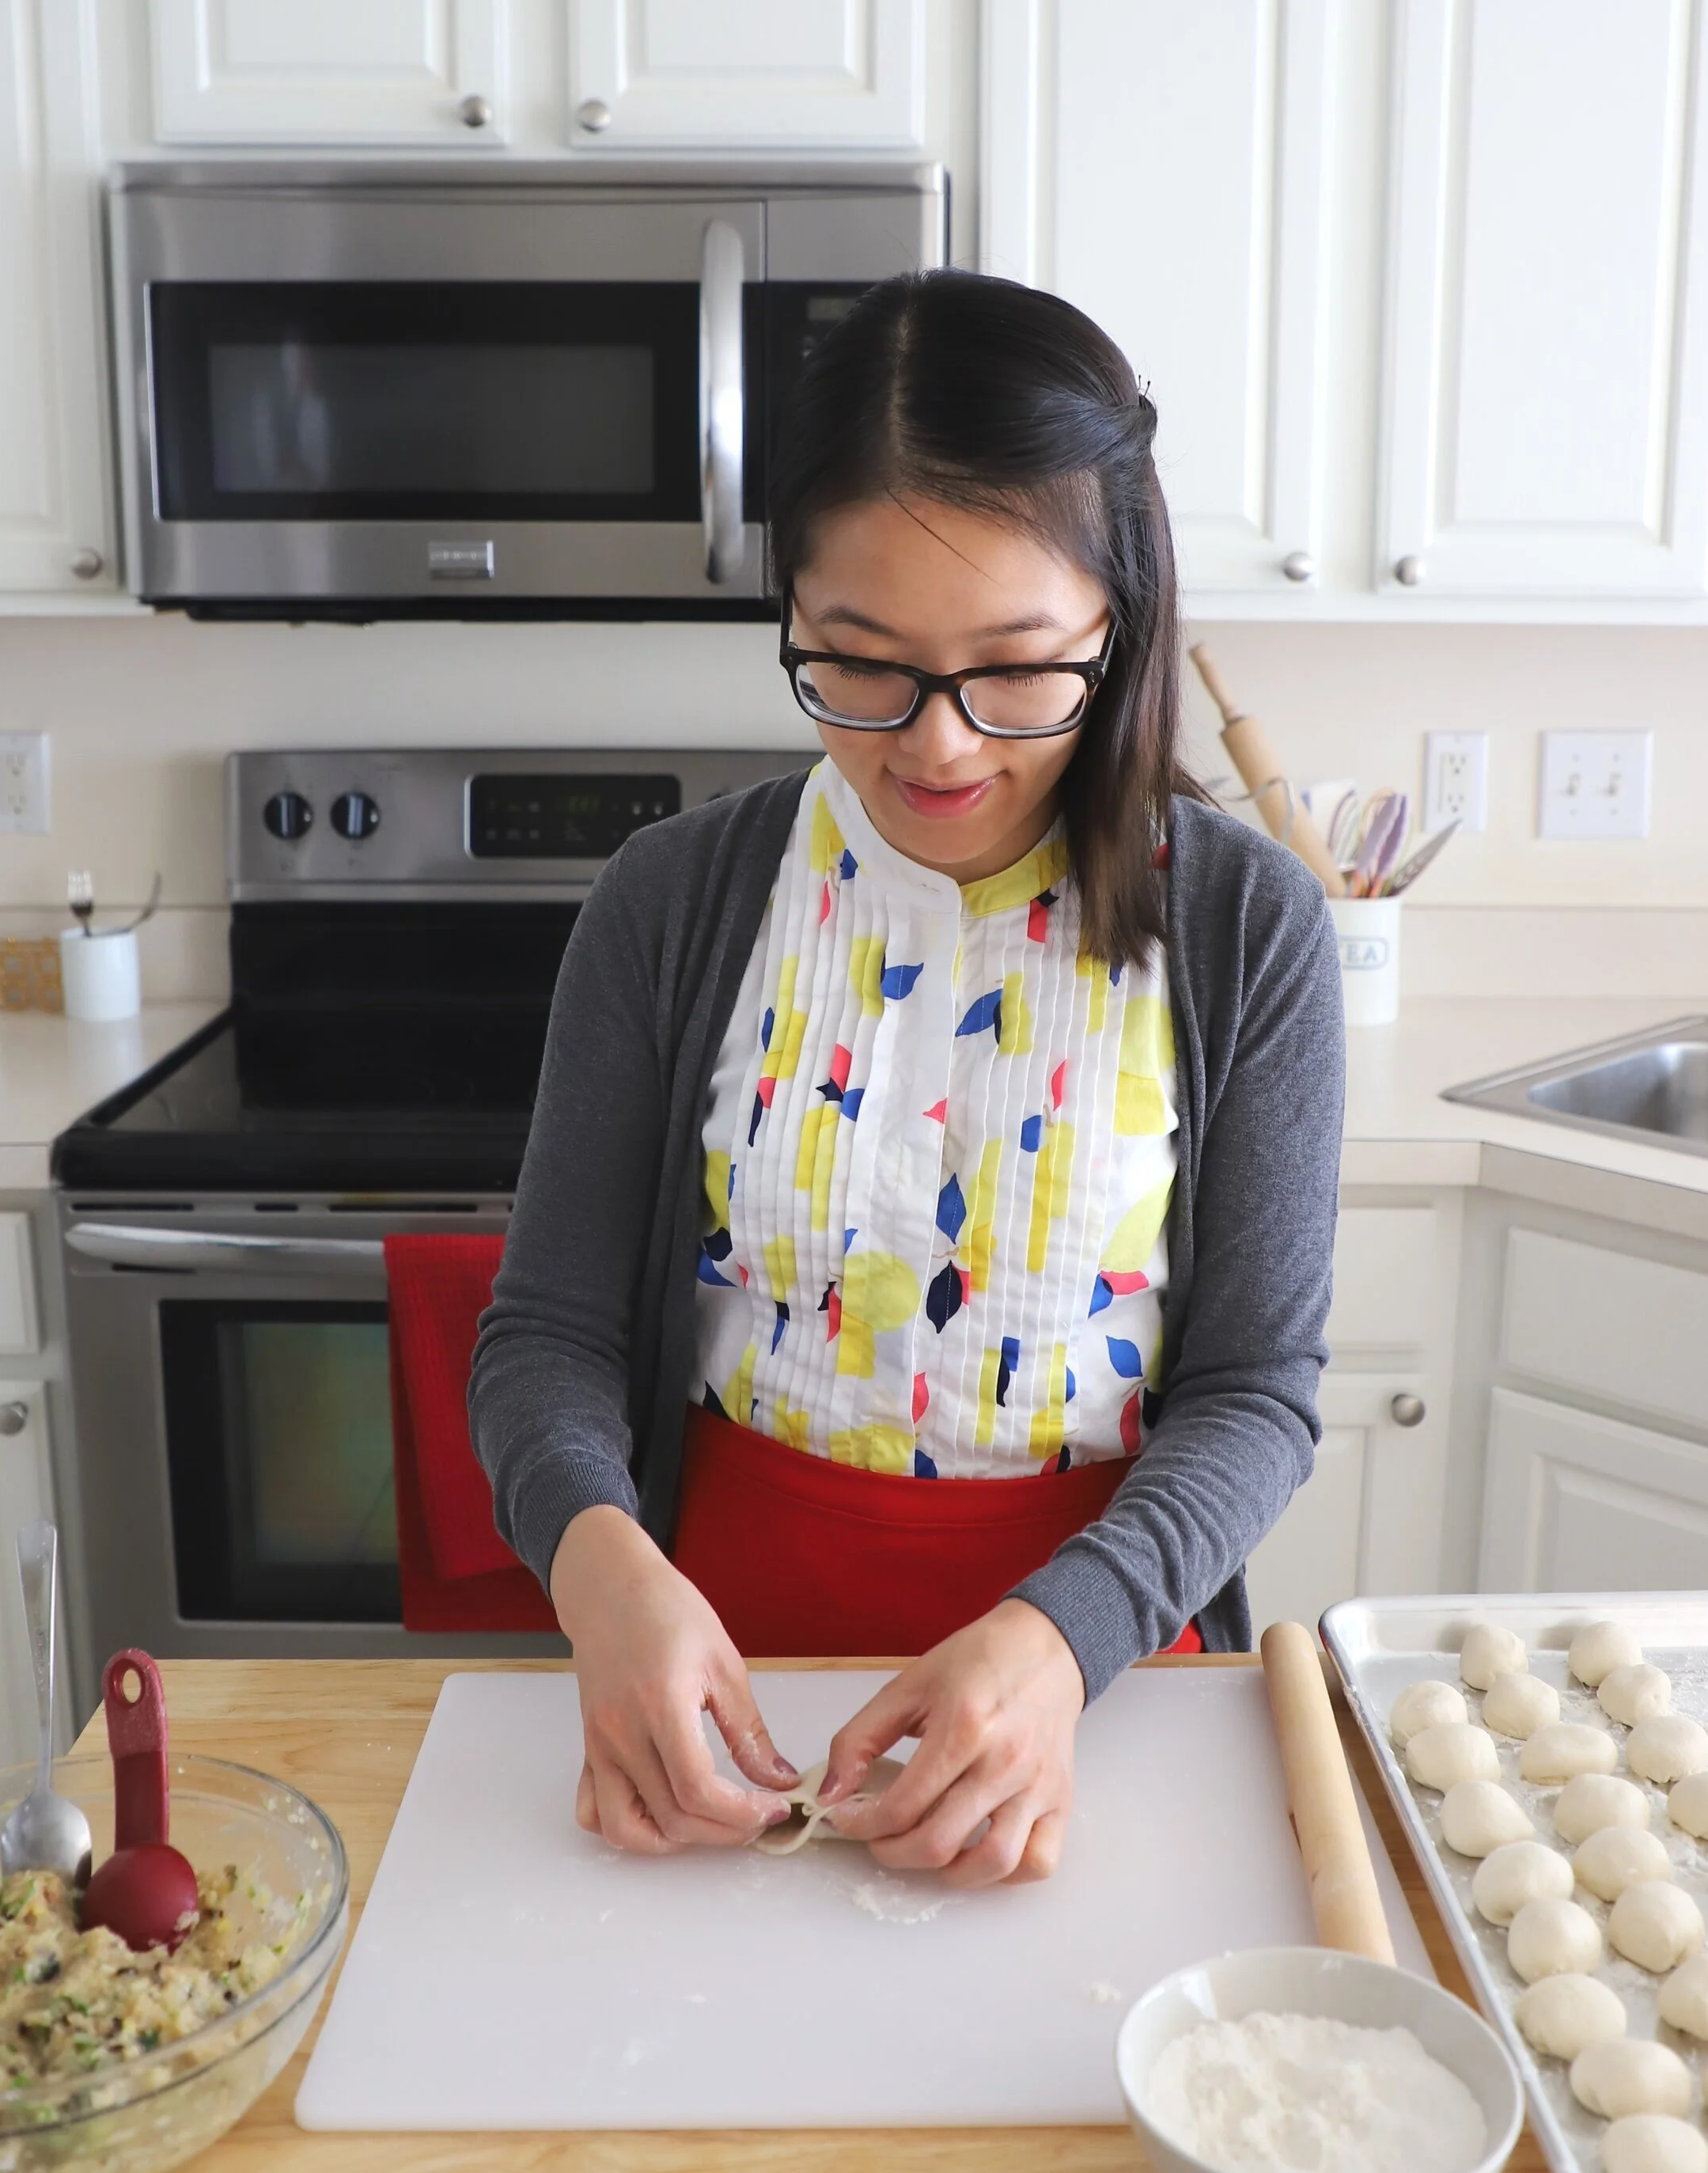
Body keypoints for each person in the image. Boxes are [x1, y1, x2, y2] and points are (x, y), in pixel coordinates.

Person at [470, 270, 1344, 1887]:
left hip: (1104, 1676)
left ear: (1120, 624)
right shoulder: (671, 904)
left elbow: (1252, 1394)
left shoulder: (1242, 925)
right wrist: (602, 1578)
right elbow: (549, 1336)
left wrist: (1054, 1646)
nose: (937, 748)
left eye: (1016, 669)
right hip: (716, 1678)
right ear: (789, 612)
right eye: (859, 663)